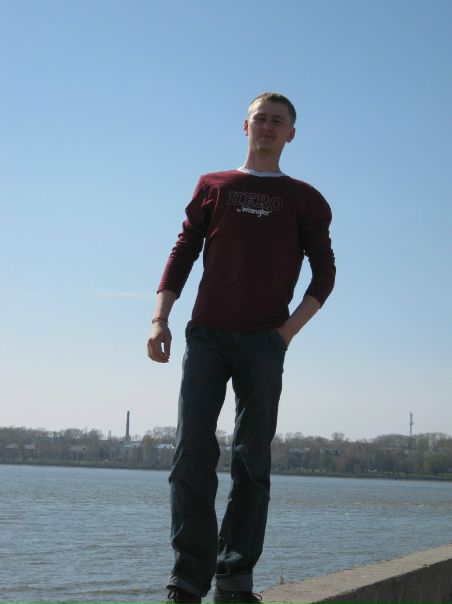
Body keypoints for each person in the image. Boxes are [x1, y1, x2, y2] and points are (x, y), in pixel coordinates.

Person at [147, 92, 336, 604]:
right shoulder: (214, 186)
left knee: (252, 461)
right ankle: (188, 580)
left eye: (278, 121)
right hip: (206, 336)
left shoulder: (305, 199)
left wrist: (284, 334)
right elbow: (183, 251)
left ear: (291, 134)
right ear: (245, 126)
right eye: (260, 119)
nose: (268, 127)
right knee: (191, 454)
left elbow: (325, 274)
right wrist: (160, 319)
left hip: (264, 344)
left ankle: (234, 580)